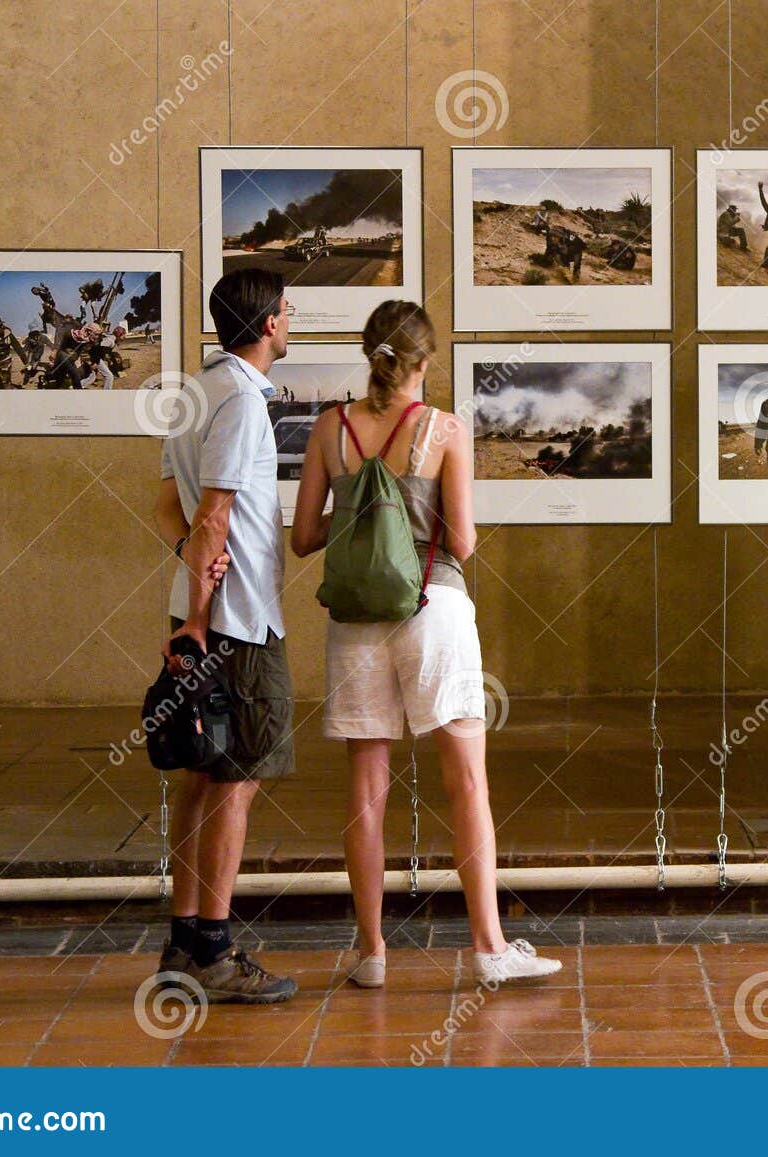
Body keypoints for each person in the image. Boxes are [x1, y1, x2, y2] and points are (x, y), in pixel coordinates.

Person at [290, 300, 562, 988]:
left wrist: (361, 511)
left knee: (366, 789)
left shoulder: (331, 428)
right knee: (466, 779)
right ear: (425, 361)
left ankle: (373, 952)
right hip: (432, 604)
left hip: (355, 618)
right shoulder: (445, 430)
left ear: (369, 354)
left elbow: (303, 538)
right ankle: (490, 946)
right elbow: (463, 541)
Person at [152, 268, 299, 1004]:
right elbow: (214, 514)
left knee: (202, 776)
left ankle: (182, 941)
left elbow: (164, 504)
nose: (290, 317)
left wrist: (187, 600)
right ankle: (213, 945)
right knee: (237, 780)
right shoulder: (241, 399)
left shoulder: (195, 391)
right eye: (286, 310)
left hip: (203, 609)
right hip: (235, 621)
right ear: (270, 322)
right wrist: (203, 626)